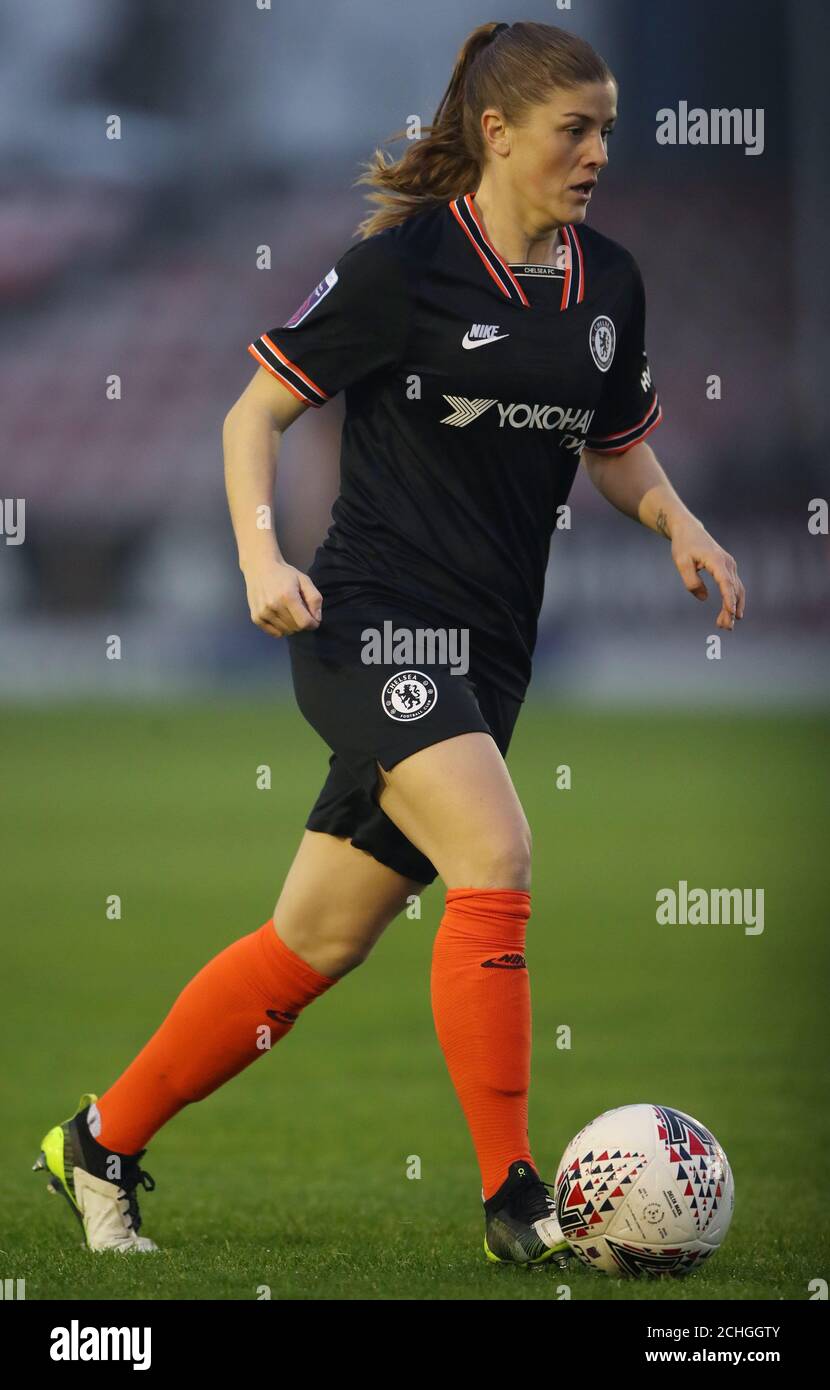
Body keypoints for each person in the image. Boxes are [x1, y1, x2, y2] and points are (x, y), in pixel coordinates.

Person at [34, 20, 745, 1266]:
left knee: (314, 938)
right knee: (497, 848)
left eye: (608, 133)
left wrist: (675, 518)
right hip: (366, 622)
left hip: (486, 657)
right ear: (497, 133)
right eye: (572, 130)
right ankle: (511, 1194)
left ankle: (98, 1138)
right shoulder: (401, 265)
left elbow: (614, 445)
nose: (594, 155)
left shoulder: (608, 285)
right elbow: (253, 413)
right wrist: (263, 558)